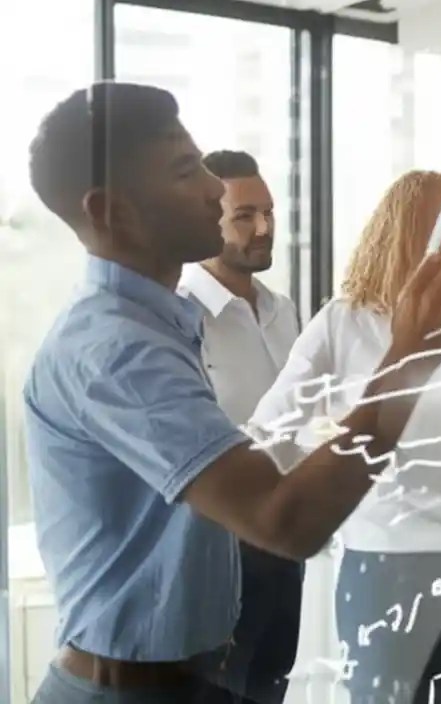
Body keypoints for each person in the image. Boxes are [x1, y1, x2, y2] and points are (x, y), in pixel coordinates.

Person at [23, 82, 441, 703]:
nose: (214, 189)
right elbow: (280, 518)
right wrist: (408, 359)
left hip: (198, 678)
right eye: (187, 171)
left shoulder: (157, 325)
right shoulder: (117, 349)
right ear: (111, 211)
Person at [247, 170, 441, 704]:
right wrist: (338, 453)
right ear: (399, 235)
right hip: (382, 567)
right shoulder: (342, 325)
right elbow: (269, 429)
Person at [175, 149, 301, 703]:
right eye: (244, 216)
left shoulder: (284, 311)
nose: (264, 228)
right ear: (210, 219)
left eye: (269, 212)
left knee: (270, 688)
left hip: (284, 543)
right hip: (217, 556)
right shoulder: (181, 316)